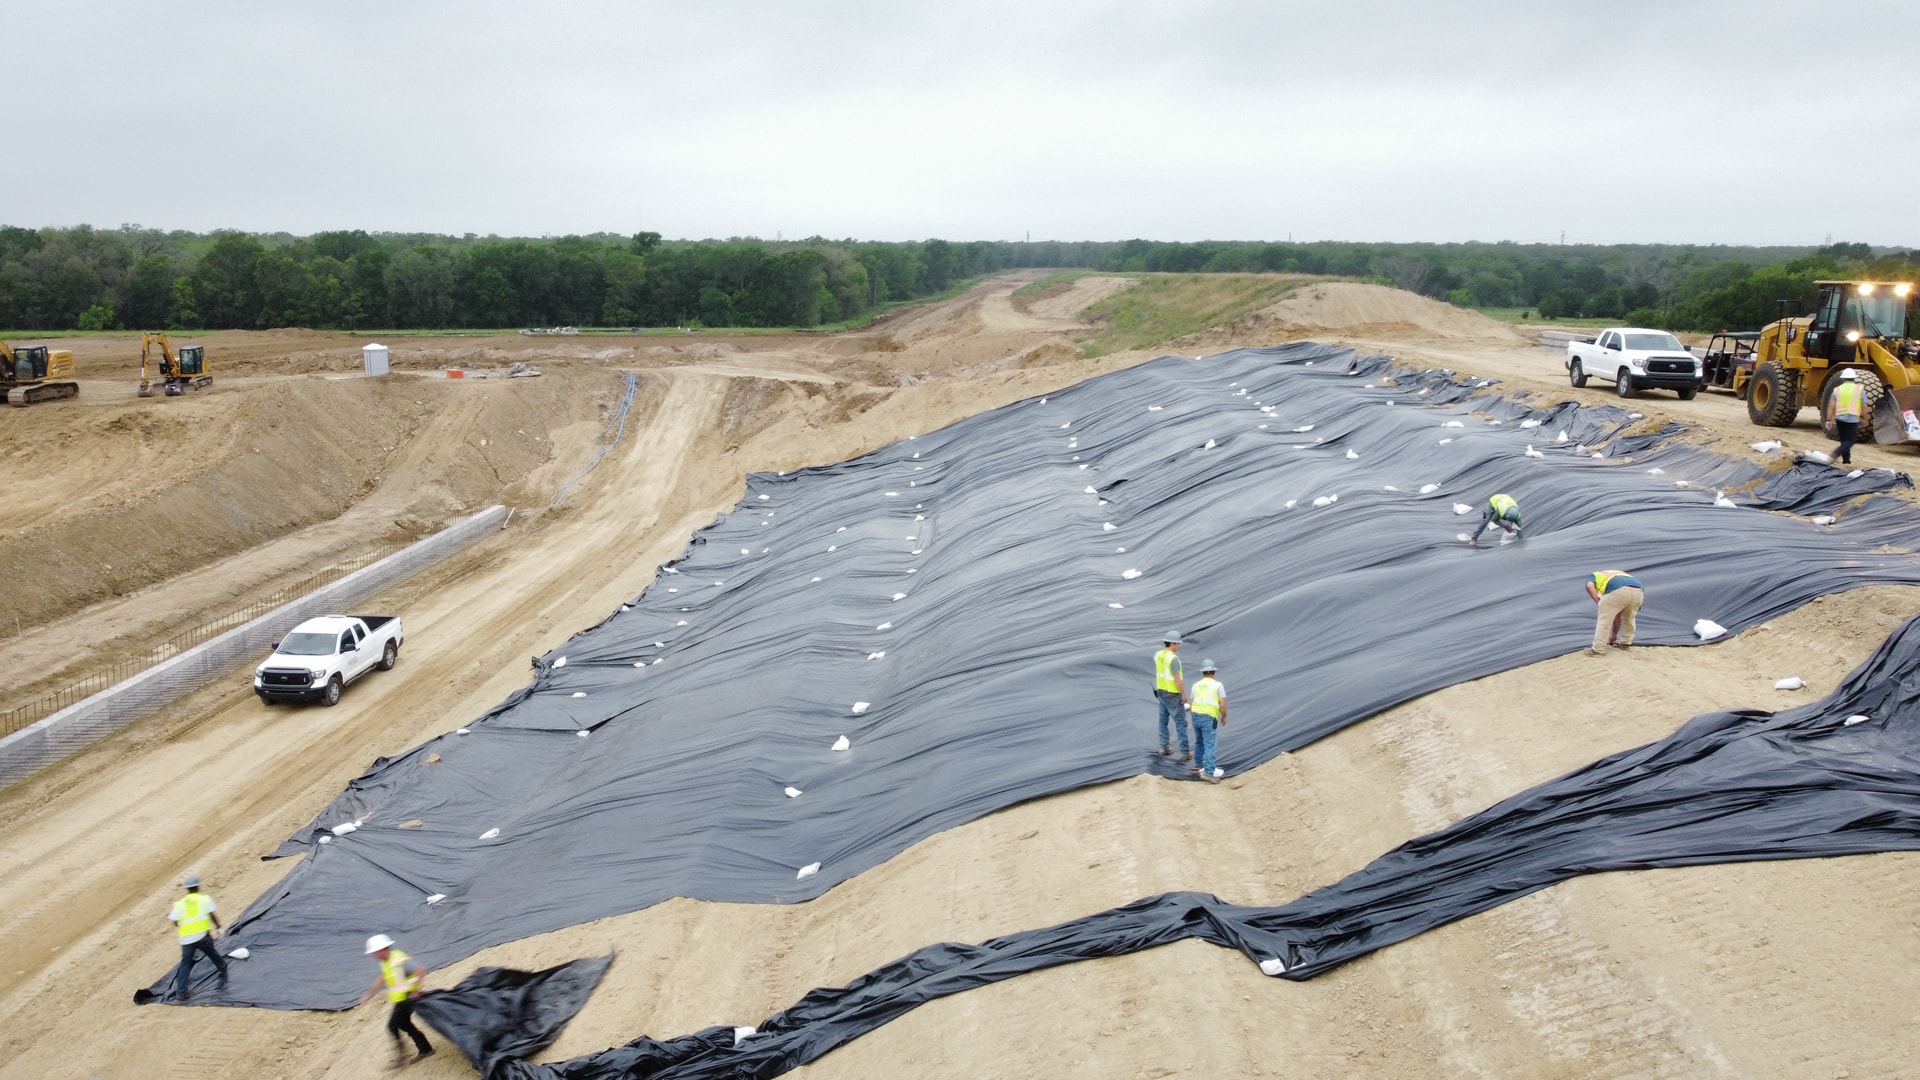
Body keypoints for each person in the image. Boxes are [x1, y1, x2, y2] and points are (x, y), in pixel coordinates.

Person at [360, 934, 434, 1069]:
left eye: (374, 952)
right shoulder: (385, 962)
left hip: (406, 998)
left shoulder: (399, 959)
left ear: (382, 950)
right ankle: (425, 1048)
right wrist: (369, 993)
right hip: (400, 999)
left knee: (392, 1026)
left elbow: (420, 970)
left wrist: (415, 991)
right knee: (405, 1025)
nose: (374, 956)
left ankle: (402, 1057)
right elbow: (383, 977)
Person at [167, 873, 228, 1000]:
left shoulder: (179, 904)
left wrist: (184, 926)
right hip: (202, 936)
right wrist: (219, 927)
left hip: (186, 940)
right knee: (212, 952)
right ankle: (223, 968)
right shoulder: (204, 899)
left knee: (185, 964)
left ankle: (181, 992)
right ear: (198, 887)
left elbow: (174, 920)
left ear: (187, 888)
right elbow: (212, 915)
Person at [1584, 570, 1644, 656]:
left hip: (1618, 590)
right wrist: (1614, 635)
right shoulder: (1618, 574)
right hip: (1638, 590)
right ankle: (1625, 643)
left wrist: (1599, 602)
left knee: (1604, 620)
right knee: (1630, 618)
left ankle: (1598, 649)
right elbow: (1617, 614)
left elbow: (1589, 586)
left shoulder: (1594, 576)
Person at [1187, 659, 1227, 784]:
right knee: (1210, 745)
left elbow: (1192, 703)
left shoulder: (1196, 685)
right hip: (1208, 717)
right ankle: (1209, 772)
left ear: (1203, 673)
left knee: (1199, 742)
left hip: (1196, 716)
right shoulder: (1217, 685)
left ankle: (1198, 766)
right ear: (1213, 672)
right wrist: (1224, 716)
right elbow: (1222, 704)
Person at [1153, 632, 1191, 761]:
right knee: (1181, 723)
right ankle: (1184, 752)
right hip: (1172, 694)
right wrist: (1184, 695)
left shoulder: (1158, 655)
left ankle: (1164, 747)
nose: (1179, 646)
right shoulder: (1173, 659)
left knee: (1163, 721)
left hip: (1161, 692)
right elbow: (1177, 679)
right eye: (1178, 644)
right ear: (1173, 643)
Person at [1825, 368, 1863, 466]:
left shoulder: (1837, 389)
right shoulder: (1859, 389)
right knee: (1850, 441)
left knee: (1844, 440)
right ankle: (1835, 454)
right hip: (1853, 419)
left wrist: (1828, 419)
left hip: (1840, 419)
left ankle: (1846, 461)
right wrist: (1865, 418)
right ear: (1854, 378)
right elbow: (1865, 406)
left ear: (1843, 379)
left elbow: (1830, 405)